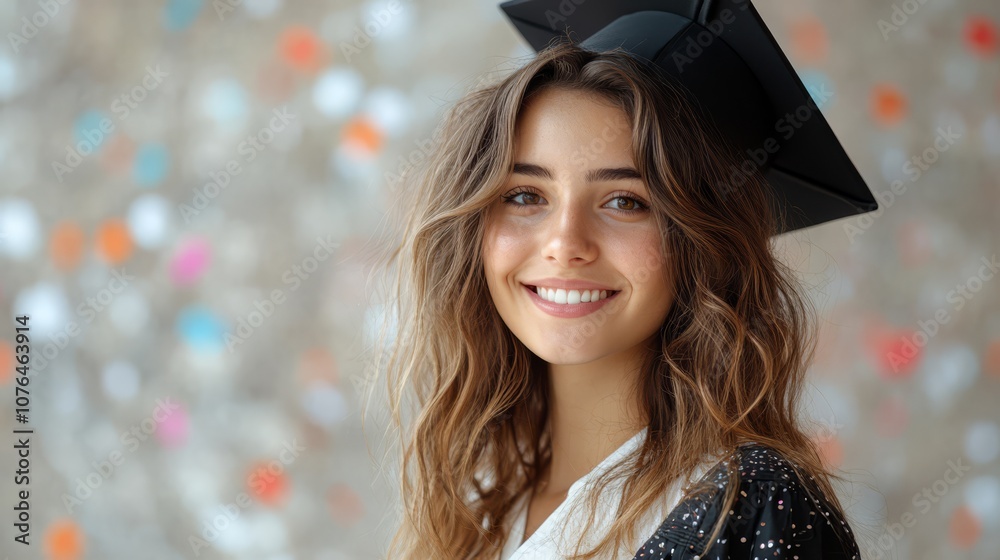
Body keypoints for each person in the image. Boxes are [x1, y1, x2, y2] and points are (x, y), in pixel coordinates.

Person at [364, 40, 866, 560]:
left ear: (703, 245)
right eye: (525, 195)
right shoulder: (478, 506)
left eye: (626, 202)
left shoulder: (744, 507)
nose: (564, 244)